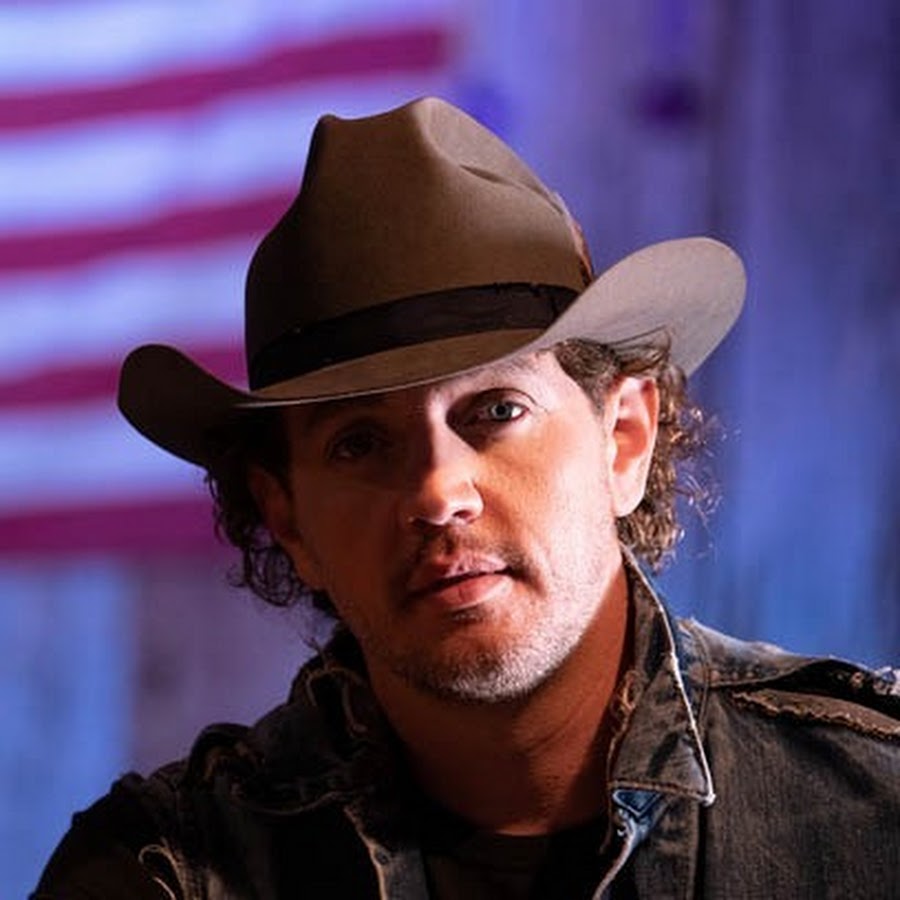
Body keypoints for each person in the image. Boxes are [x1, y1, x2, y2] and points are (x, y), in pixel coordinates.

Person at [34, 97, 899, 900]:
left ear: (624, 440)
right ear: (289, 519)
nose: (438, 492)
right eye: (359, 442)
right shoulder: (164, 874)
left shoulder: (874, 806)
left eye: (496, 411)